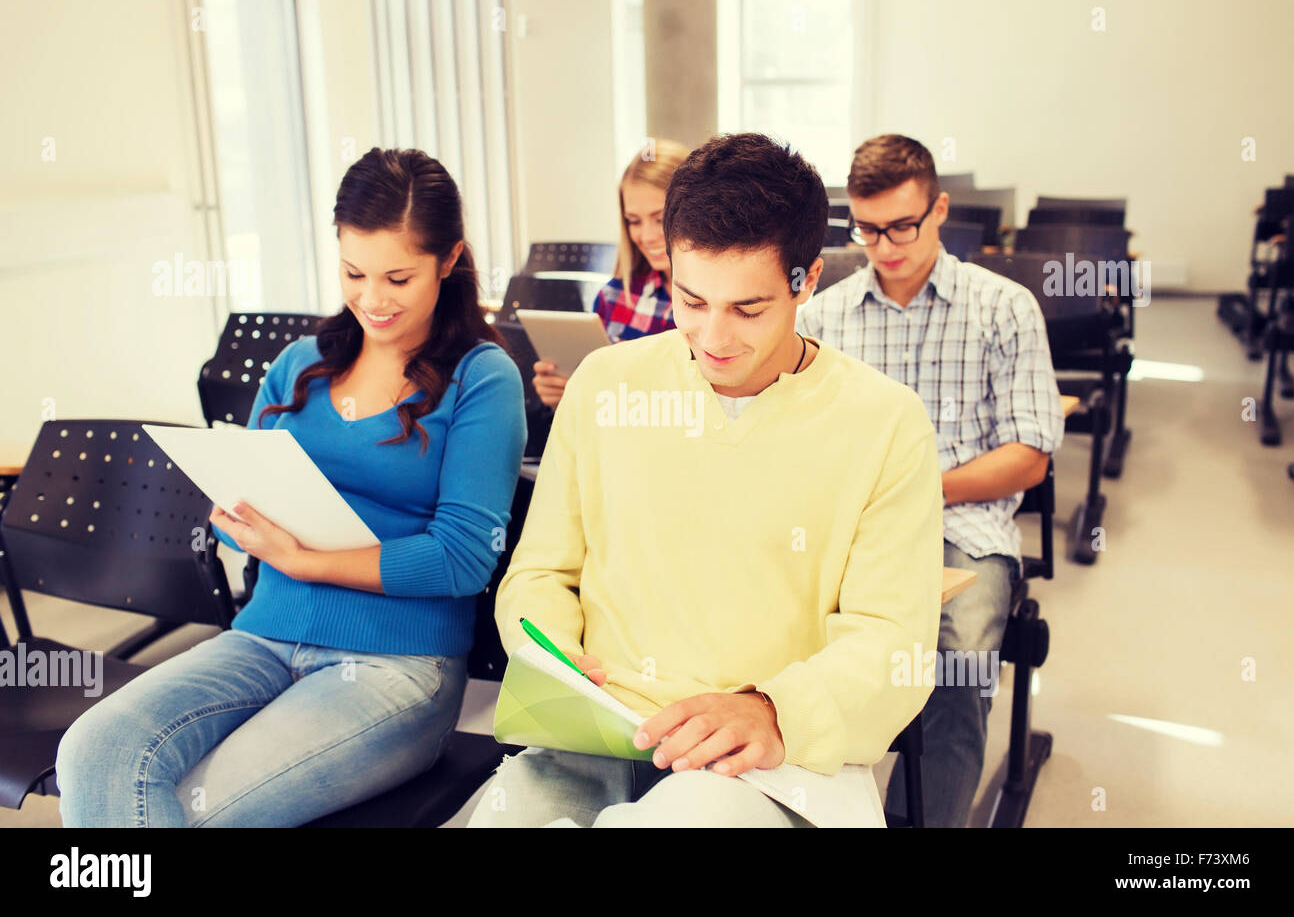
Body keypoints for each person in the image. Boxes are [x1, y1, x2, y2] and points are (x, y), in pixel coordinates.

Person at [468, 132, 942, 828]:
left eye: (748, 309)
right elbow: (541, 573)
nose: (714, 337)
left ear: (805, 280)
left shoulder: (886, 423)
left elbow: (892, 643)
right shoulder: (606, 384)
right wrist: (550, 650)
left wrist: (773, 709)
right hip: (594, 729)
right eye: (691, 301)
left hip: (756, 763)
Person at [55, 148, 526, 827]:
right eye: (354, 272)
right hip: (263, 635)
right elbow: (232, 509)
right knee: (93, 754)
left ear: (449, 260)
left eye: (398, 277)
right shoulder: (300, 363)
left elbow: (462, 557)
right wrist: (235, 515)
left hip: (398, 663)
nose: (372, 299)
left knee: (192, 814)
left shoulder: (483, 378)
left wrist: (307, 559)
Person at [796, 133, 1065, 827]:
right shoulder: (822, 316)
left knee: (957, 671)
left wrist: (918, 487)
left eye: (902, 226)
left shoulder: (1003, 307)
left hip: (963, 530)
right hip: (843, 530)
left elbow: (1029, 455)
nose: (884, 246)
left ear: (939, 209)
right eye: (868, 228)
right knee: (782, 648)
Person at [531, 138, 690, 408]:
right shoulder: (614, 297)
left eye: (660, 219)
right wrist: (565, 396)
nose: (647, 236)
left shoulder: (718, 304)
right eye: (634, 222)